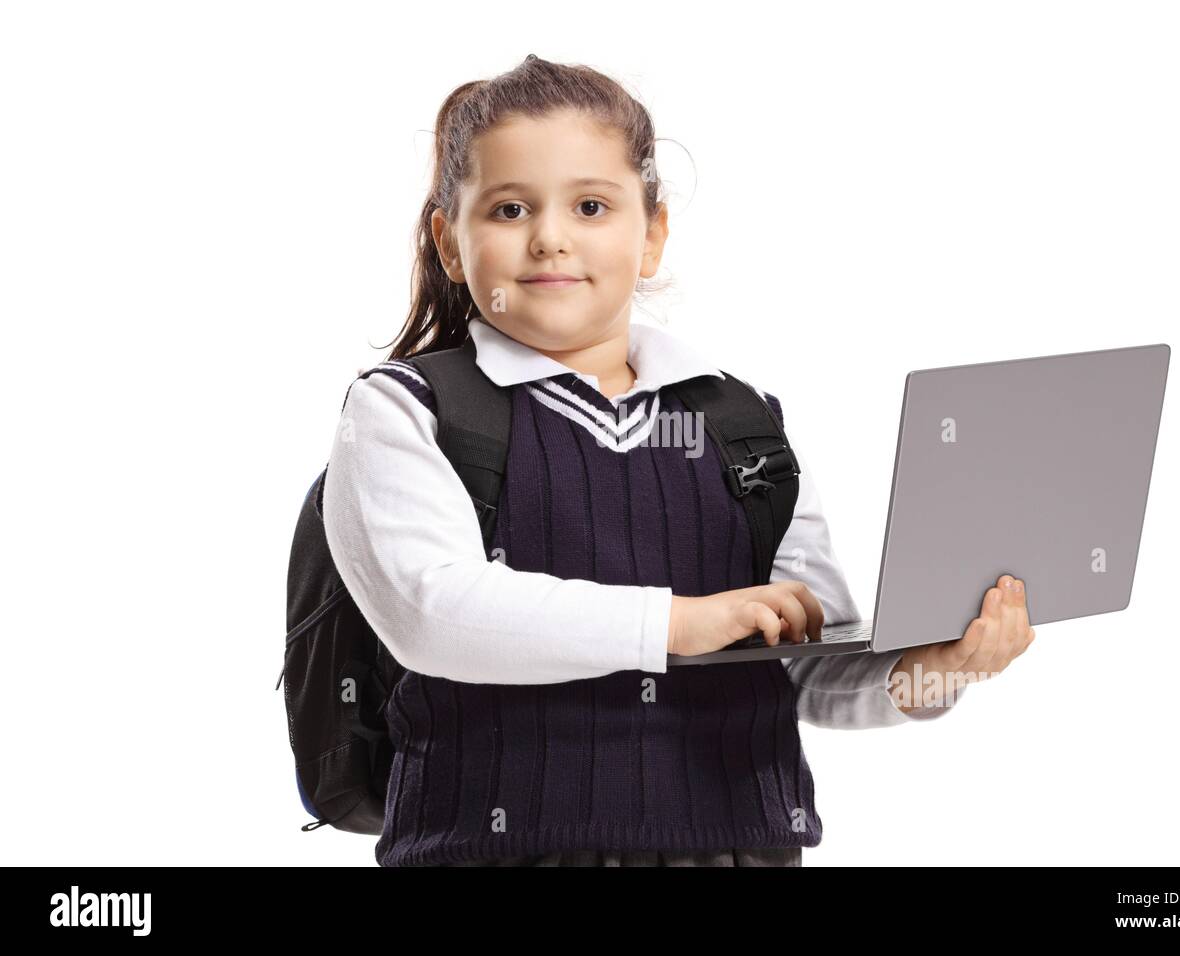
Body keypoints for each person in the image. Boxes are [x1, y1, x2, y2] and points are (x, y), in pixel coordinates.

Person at [321, 54, 1035, 868]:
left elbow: (810, 671)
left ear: (651, 234)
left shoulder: (740, 424)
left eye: (592, 205)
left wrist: (937, 671)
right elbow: (433, 614)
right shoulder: (409, 410)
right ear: (451, 243)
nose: (551, 236)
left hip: (741, 850)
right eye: (510, 208)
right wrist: (684, 624)